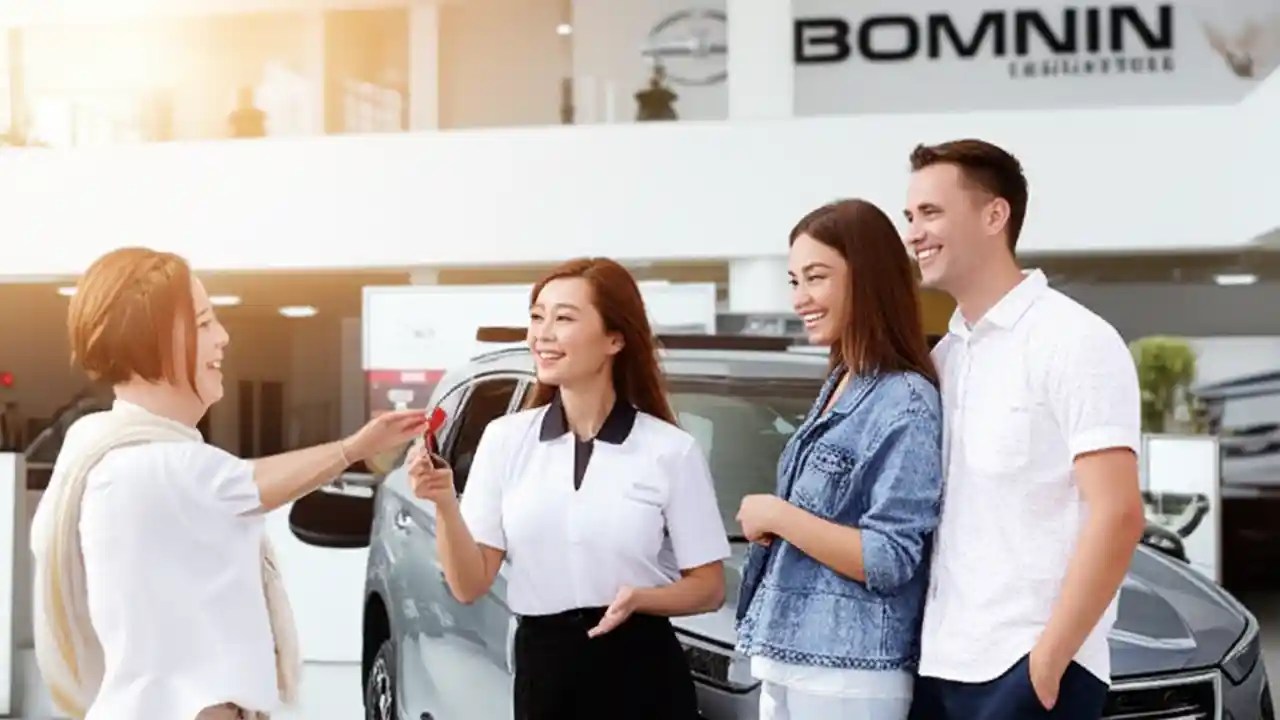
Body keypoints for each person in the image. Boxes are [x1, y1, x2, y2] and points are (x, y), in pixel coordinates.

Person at [29, 247, 428, 720]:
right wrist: (352, 448)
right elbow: (248, 483)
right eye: (201, 324)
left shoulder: (103, 449)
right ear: (148, 339)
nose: (222, 338)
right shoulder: (149, 466)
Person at [408, 257, 730, 719]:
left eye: (563, 318)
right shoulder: (505, 439)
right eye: (537, 317)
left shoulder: (669, 451)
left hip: (643, 672)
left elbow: (709, 588)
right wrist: (443, 504)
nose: (542, 333)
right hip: (547, 671)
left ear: (614, 339)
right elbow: (469, 583)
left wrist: (642, 598)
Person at [903, 139, 1145, 719]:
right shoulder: (946, 359)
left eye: (930, 213)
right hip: (940, 666)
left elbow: (1118, 513)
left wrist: (1049, 659)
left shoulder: (1074, 340)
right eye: (909, 217)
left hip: (1027, 670)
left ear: (995, 215)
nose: (913, 233)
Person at [733, 199, 945, 720]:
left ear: (867, 278)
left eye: (817, 277)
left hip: (850, 672)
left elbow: (889, 557)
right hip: (789, 657)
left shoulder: (906, 399)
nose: (801, 298)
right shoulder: (842, 381)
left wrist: (779, 516)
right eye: (793, 280)